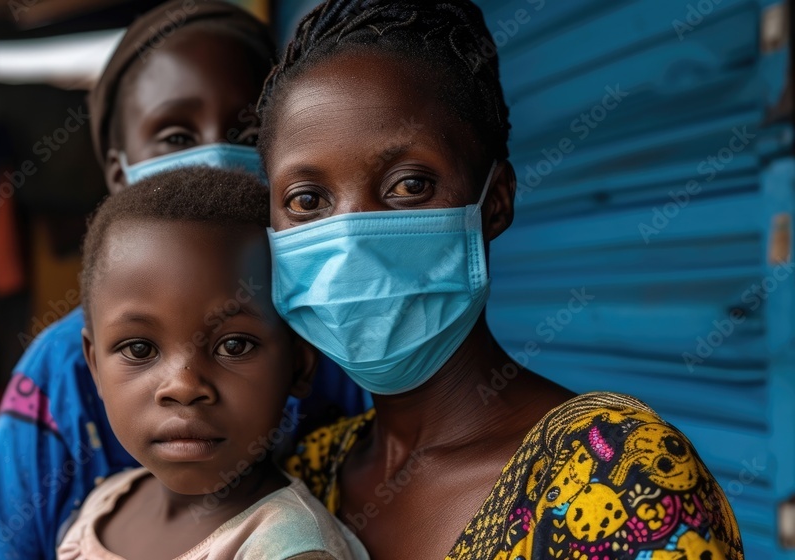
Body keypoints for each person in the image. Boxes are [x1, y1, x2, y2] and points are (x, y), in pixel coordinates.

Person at [255, 1, 745, 559]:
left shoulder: (621, 476)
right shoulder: (306, 474)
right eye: (308, 200)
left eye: (409, 185)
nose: (351, 240)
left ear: (497, 201)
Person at [0, 3, 367, 558]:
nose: (183, 384)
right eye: (175, 136)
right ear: (118, 172)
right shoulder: (65, 373)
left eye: (250, 131)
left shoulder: (339, 338)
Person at [58, 167, 367, 560]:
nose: (184, 386)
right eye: (139, 349)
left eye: (234, 345)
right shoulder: (102, 507)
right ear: (95, 367)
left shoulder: (287, 548)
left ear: (300, 364)